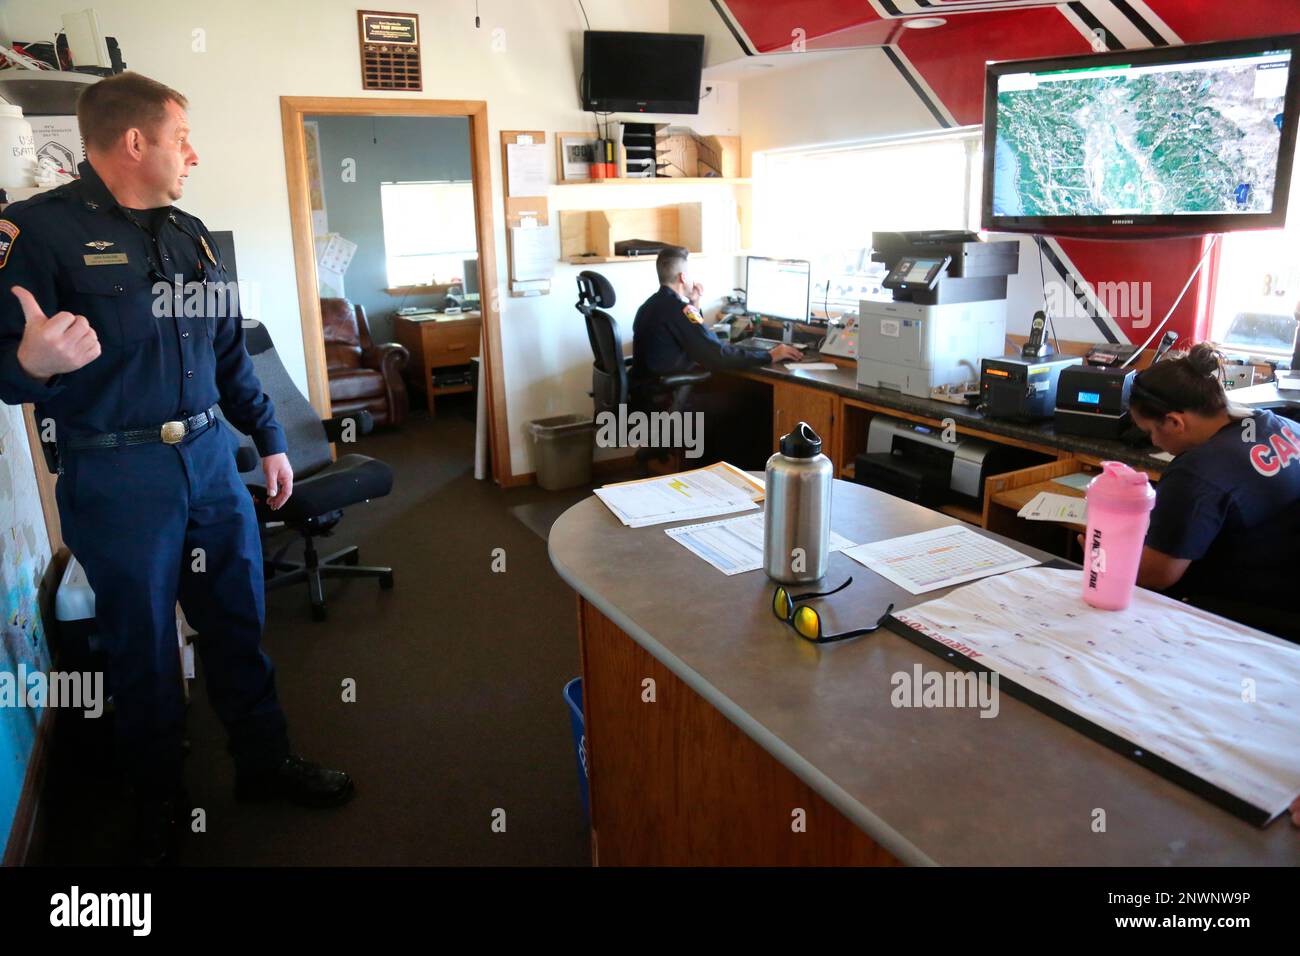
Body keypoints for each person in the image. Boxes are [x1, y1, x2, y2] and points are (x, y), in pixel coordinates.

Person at [0, 72, 352, 865]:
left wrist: (267, 442)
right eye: (180, 137)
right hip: (117, 476)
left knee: (236, 624)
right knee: (144, 648)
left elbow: (231, 354)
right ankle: (158, 805)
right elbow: (7, 369)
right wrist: (29, 364)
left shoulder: (188, 234)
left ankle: (264, 763)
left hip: (209, 462)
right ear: (135, 143)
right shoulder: (33, 234)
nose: (192, 153)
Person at [1127, 343, 1300, 640]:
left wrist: (1102, 548)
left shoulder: (1196, 472)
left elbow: (1155, 576)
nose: (1154, 442)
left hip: (1244, 613)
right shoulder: (1282, 425)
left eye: (1150, 431)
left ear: (1174, 421)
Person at [629, 247, 803, 465]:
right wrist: (769, 356)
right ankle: (746, 475)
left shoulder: (649, 306)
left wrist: (695, 304)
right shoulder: (678, 310)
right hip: (670, 400)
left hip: (649, 396)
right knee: (754, 402)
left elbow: (695, 338)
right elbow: (717, 354)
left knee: (732, 395)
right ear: (683, 277)